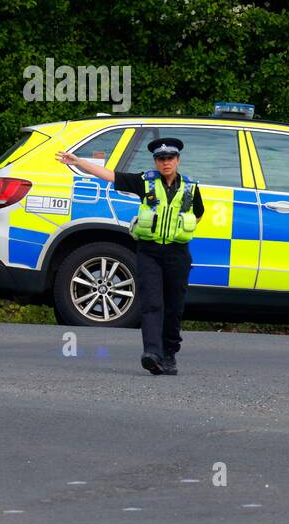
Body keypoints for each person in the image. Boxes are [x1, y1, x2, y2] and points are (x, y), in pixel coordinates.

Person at [56, 138, 204, 374]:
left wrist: (179, 228)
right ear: (155, 161)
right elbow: (110, 175)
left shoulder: (190, 187)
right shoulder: (144, 182)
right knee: (152, 303)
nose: (165, 163)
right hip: (149, 252)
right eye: (160, 159)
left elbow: (198, 215)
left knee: (174, 307)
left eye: (169, 158)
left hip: (177, 254)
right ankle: (152, 354)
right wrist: (80, 163)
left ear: (177, 160)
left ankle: (169, 354)